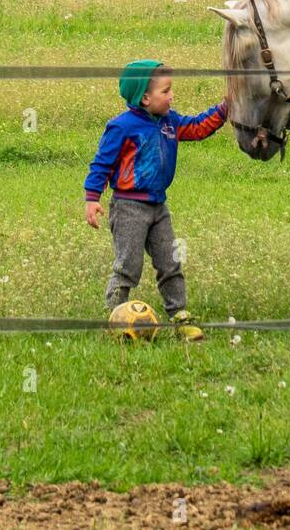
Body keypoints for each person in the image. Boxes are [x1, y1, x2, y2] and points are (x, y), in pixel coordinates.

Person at [84, 59, 229, 342]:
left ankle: (180, 315)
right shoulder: (121, 127)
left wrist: (225, 109)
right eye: (166, 91)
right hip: (128, 208)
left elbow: (198, 127)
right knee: (128, 266)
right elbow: (101, 164)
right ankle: (116, 316)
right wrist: (92, 198)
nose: (171, 96)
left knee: (170, 262)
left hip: (158, 207)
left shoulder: (170, 122)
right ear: (145, 97)